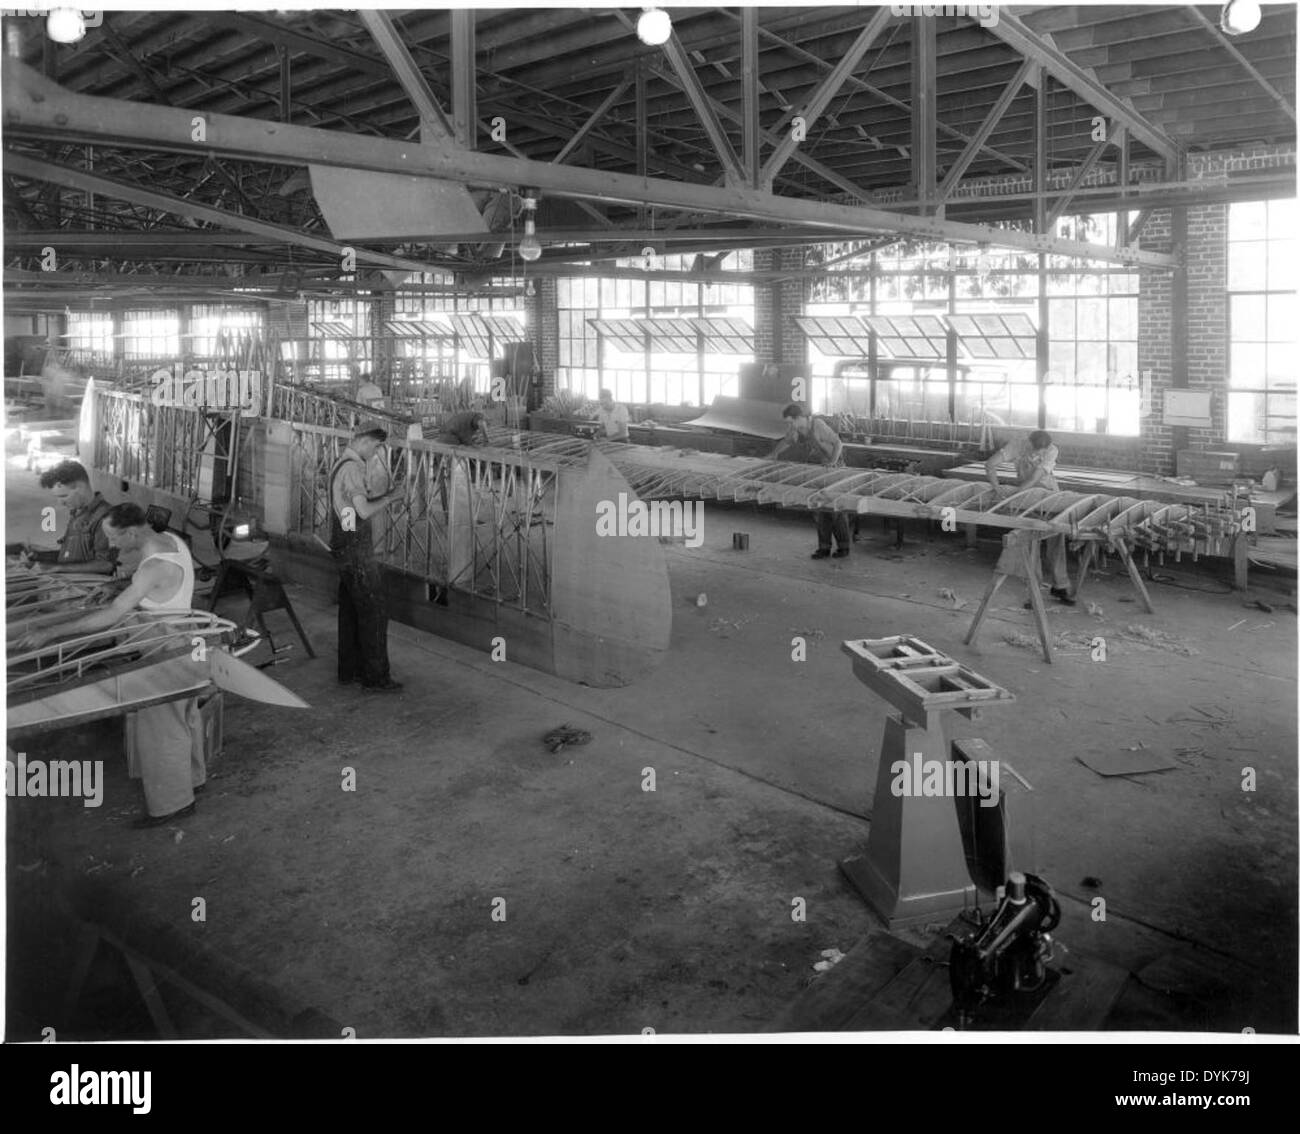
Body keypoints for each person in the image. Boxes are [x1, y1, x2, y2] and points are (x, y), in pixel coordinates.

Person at [18, 502, 205, 827]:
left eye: (114, 538)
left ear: (132, 532)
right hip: (184, 637)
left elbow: (112, 615)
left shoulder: (153, 566)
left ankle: (173, 805)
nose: (112, 545)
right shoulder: (173, 542)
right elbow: (151, 590)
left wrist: (52, 631)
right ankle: (193, 778)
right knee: (183, 715)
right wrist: (116, 587)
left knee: (159, 727)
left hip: (164, 647)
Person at [331, 423, 404, 692]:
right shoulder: (352, 468)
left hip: (344, 543)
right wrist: (391, 497)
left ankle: (349, 670)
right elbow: (362, 510)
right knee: (374, 611)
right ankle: (375, 677)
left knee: (350, 610)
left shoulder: (342, 462)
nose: (374, 454)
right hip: (355, 550)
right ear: (363, 441)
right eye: (374, 447)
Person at [985, 429, 1075, 605]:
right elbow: (990, 464)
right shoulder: (1017, 445)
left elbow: (1035, 478)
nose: (1038, 454)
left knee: (1056, 537)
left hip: (1048, 496)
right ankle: (1034, 591)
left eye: (1042, 451)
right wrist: (996, 487)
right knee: (1030, 541)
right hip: (1027, 499)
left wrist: (1015, 494)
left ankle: (1060, 585)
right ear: (1029, 443)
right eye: (1036, 451)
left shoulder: (1052, 450)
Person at [772, 403, 851, 560]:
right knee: (819, 508)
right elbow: (787, 442)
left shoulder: (818, 425)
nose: (790, 425)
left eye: (791, 422)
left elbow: (838, 443)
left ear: (799, 418)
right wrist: (773, 454)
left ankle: (844, 547)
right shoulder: (796, 429)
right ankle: (824, 548)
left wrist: (832, 462)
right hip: (818, 470)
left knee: (836, 510)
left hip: (834, 469)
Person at [16, 460, 117, 575]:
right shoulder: (77, 513)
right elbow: (69, 557)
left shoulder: (106, 516)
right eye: (57, 497)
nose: (61, 503)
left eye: (64, 496)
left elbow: (106, 565)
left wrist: (56, 568)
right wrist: (38, 556)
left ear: (81, 487)